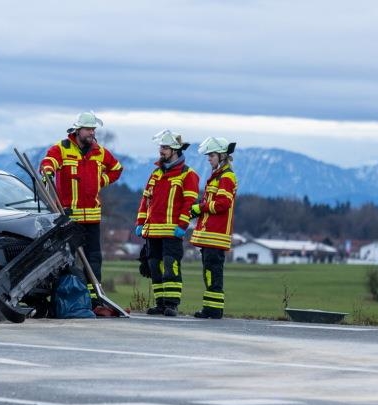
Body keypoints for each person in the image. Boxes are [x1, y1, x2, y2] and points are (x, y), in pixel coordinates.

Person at [39, 111, 123, 304]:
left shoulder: (100, 152)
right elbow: (48, 162)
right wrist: (48, 173)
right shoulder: (62, 148)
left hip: (93, 217)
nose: (92, 132)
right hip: (69, 218)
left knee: (94, 258)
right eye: (88, 129)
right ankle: (69, 298)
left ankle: (95, 299)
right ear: (77, 130)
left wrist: (101, 180)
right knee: (67, 260)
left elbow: (117, 169)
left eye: (93, 129)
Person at [134, 130, 199, 317]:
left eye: (165, 147)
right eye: (161, 147)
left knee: (171, 266)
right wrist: (140, 222)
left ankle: (172, 304)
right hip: (152, 231)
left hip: (172, 231)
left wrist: (182, 226)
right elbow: (145, 200)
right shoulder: (155, 173)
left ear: (175, 150)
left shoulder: (188, 174)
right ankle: (160, 303)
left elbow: (188, 203)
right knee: (154, 267)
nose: (161, 150)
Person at [190, 137, 238, 319]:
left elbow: (223, 204)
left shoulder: (226, 177)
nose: (209, 159)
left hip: (215, 235)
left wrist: (200, 207)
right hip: (209, 234)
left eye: (211, 155)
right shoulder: (218, 176)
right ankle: (211, 308)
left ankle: (213, 310)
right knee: (209, 272)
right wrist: (197, 210)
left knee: (213, 273)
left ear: (221, 156)